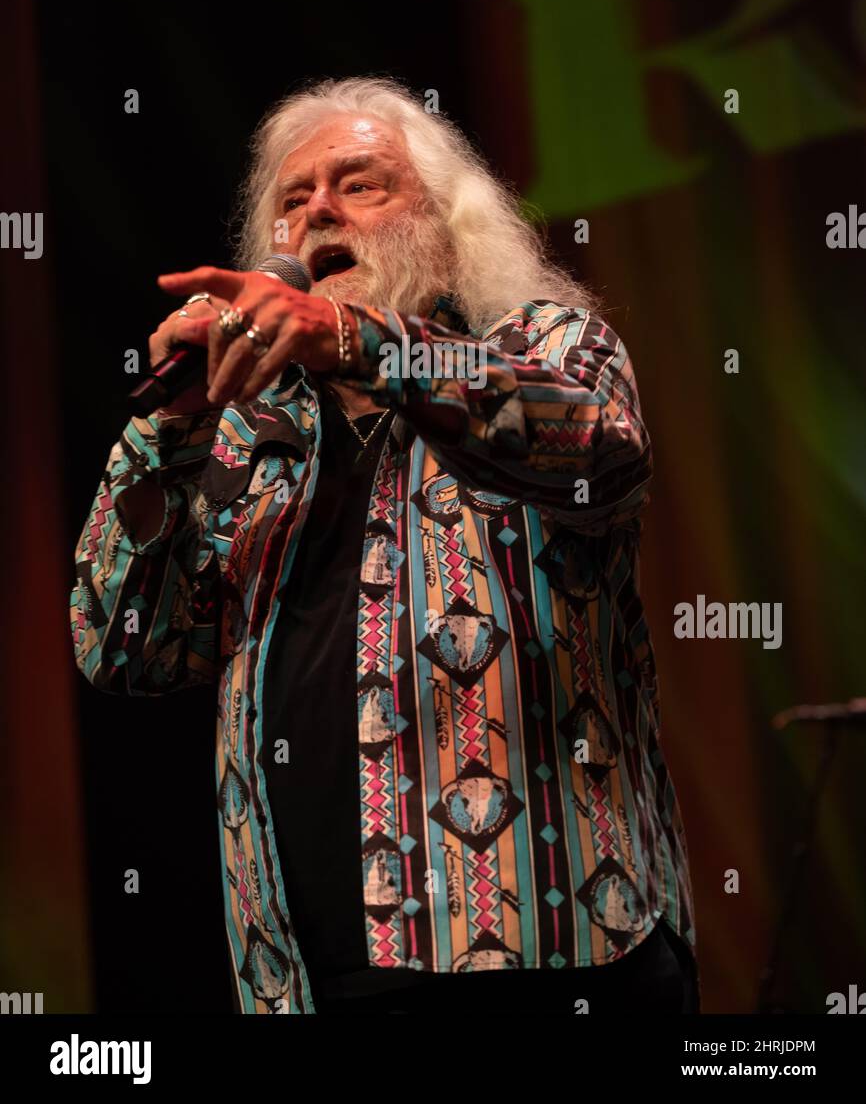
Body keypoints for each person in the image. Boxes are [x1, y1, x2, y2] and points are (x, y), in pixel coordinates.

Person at [71, 75, 699, 1015]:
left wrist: (362, 342)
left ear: (450, 227)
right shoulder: (248, 438)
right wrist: (173, 428)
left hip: (551, 960)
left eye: (360, 183)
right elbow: (122, 644)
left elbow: (595, 448)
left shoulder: (543, 343)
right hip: (303, 980)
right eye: (292, 199)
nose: (318, 206)